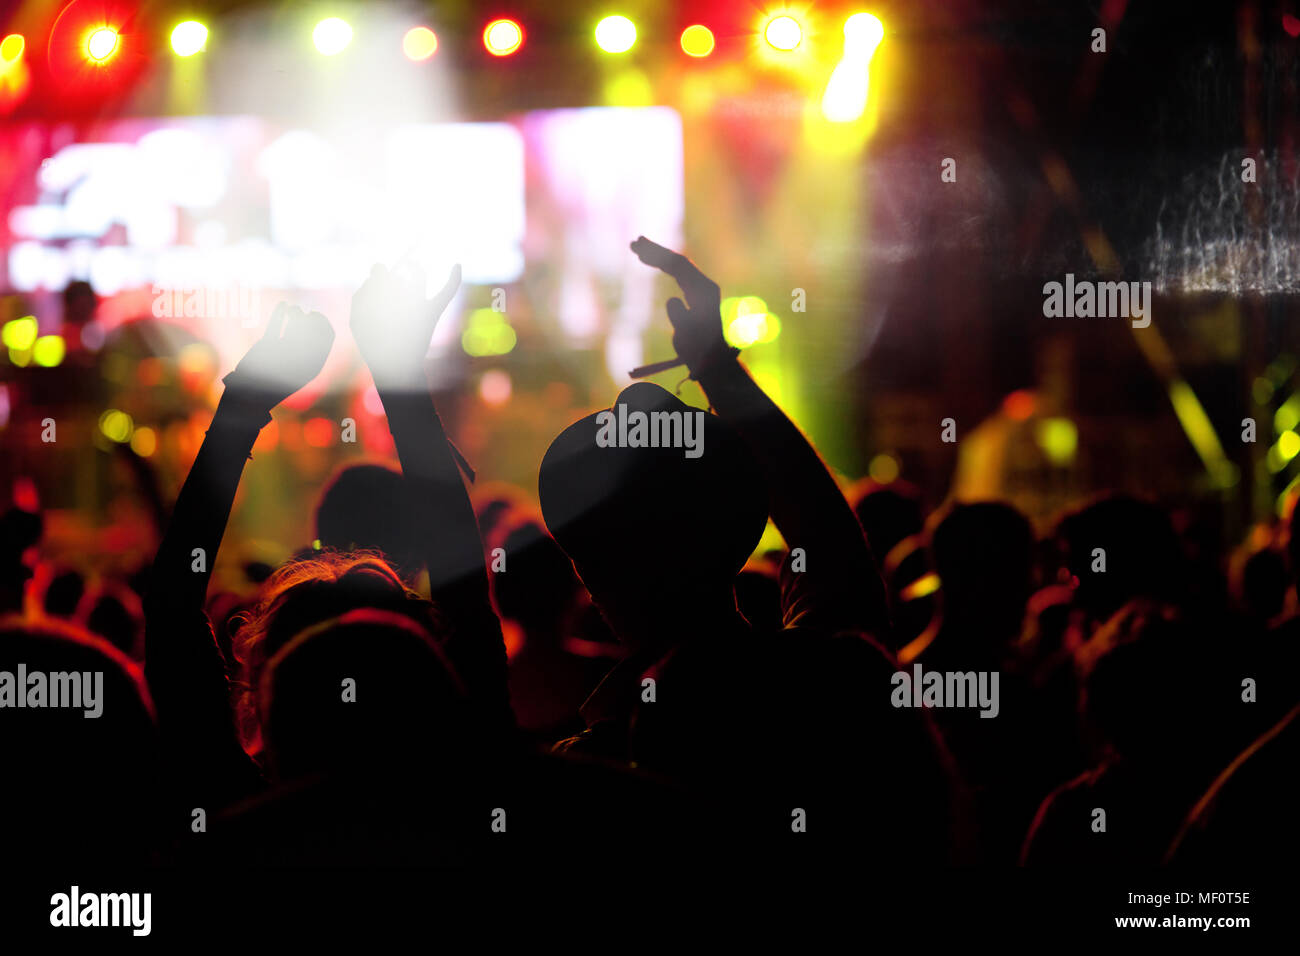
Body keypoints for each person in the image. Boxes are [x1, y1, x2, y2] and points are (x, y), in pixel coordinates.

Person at [540, 237, 955, 858]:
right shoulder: (837, 683)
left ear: (589, 571)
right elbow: (828, 539)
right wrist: (716, 366)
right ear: (734, 529)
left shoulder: (588, 780)